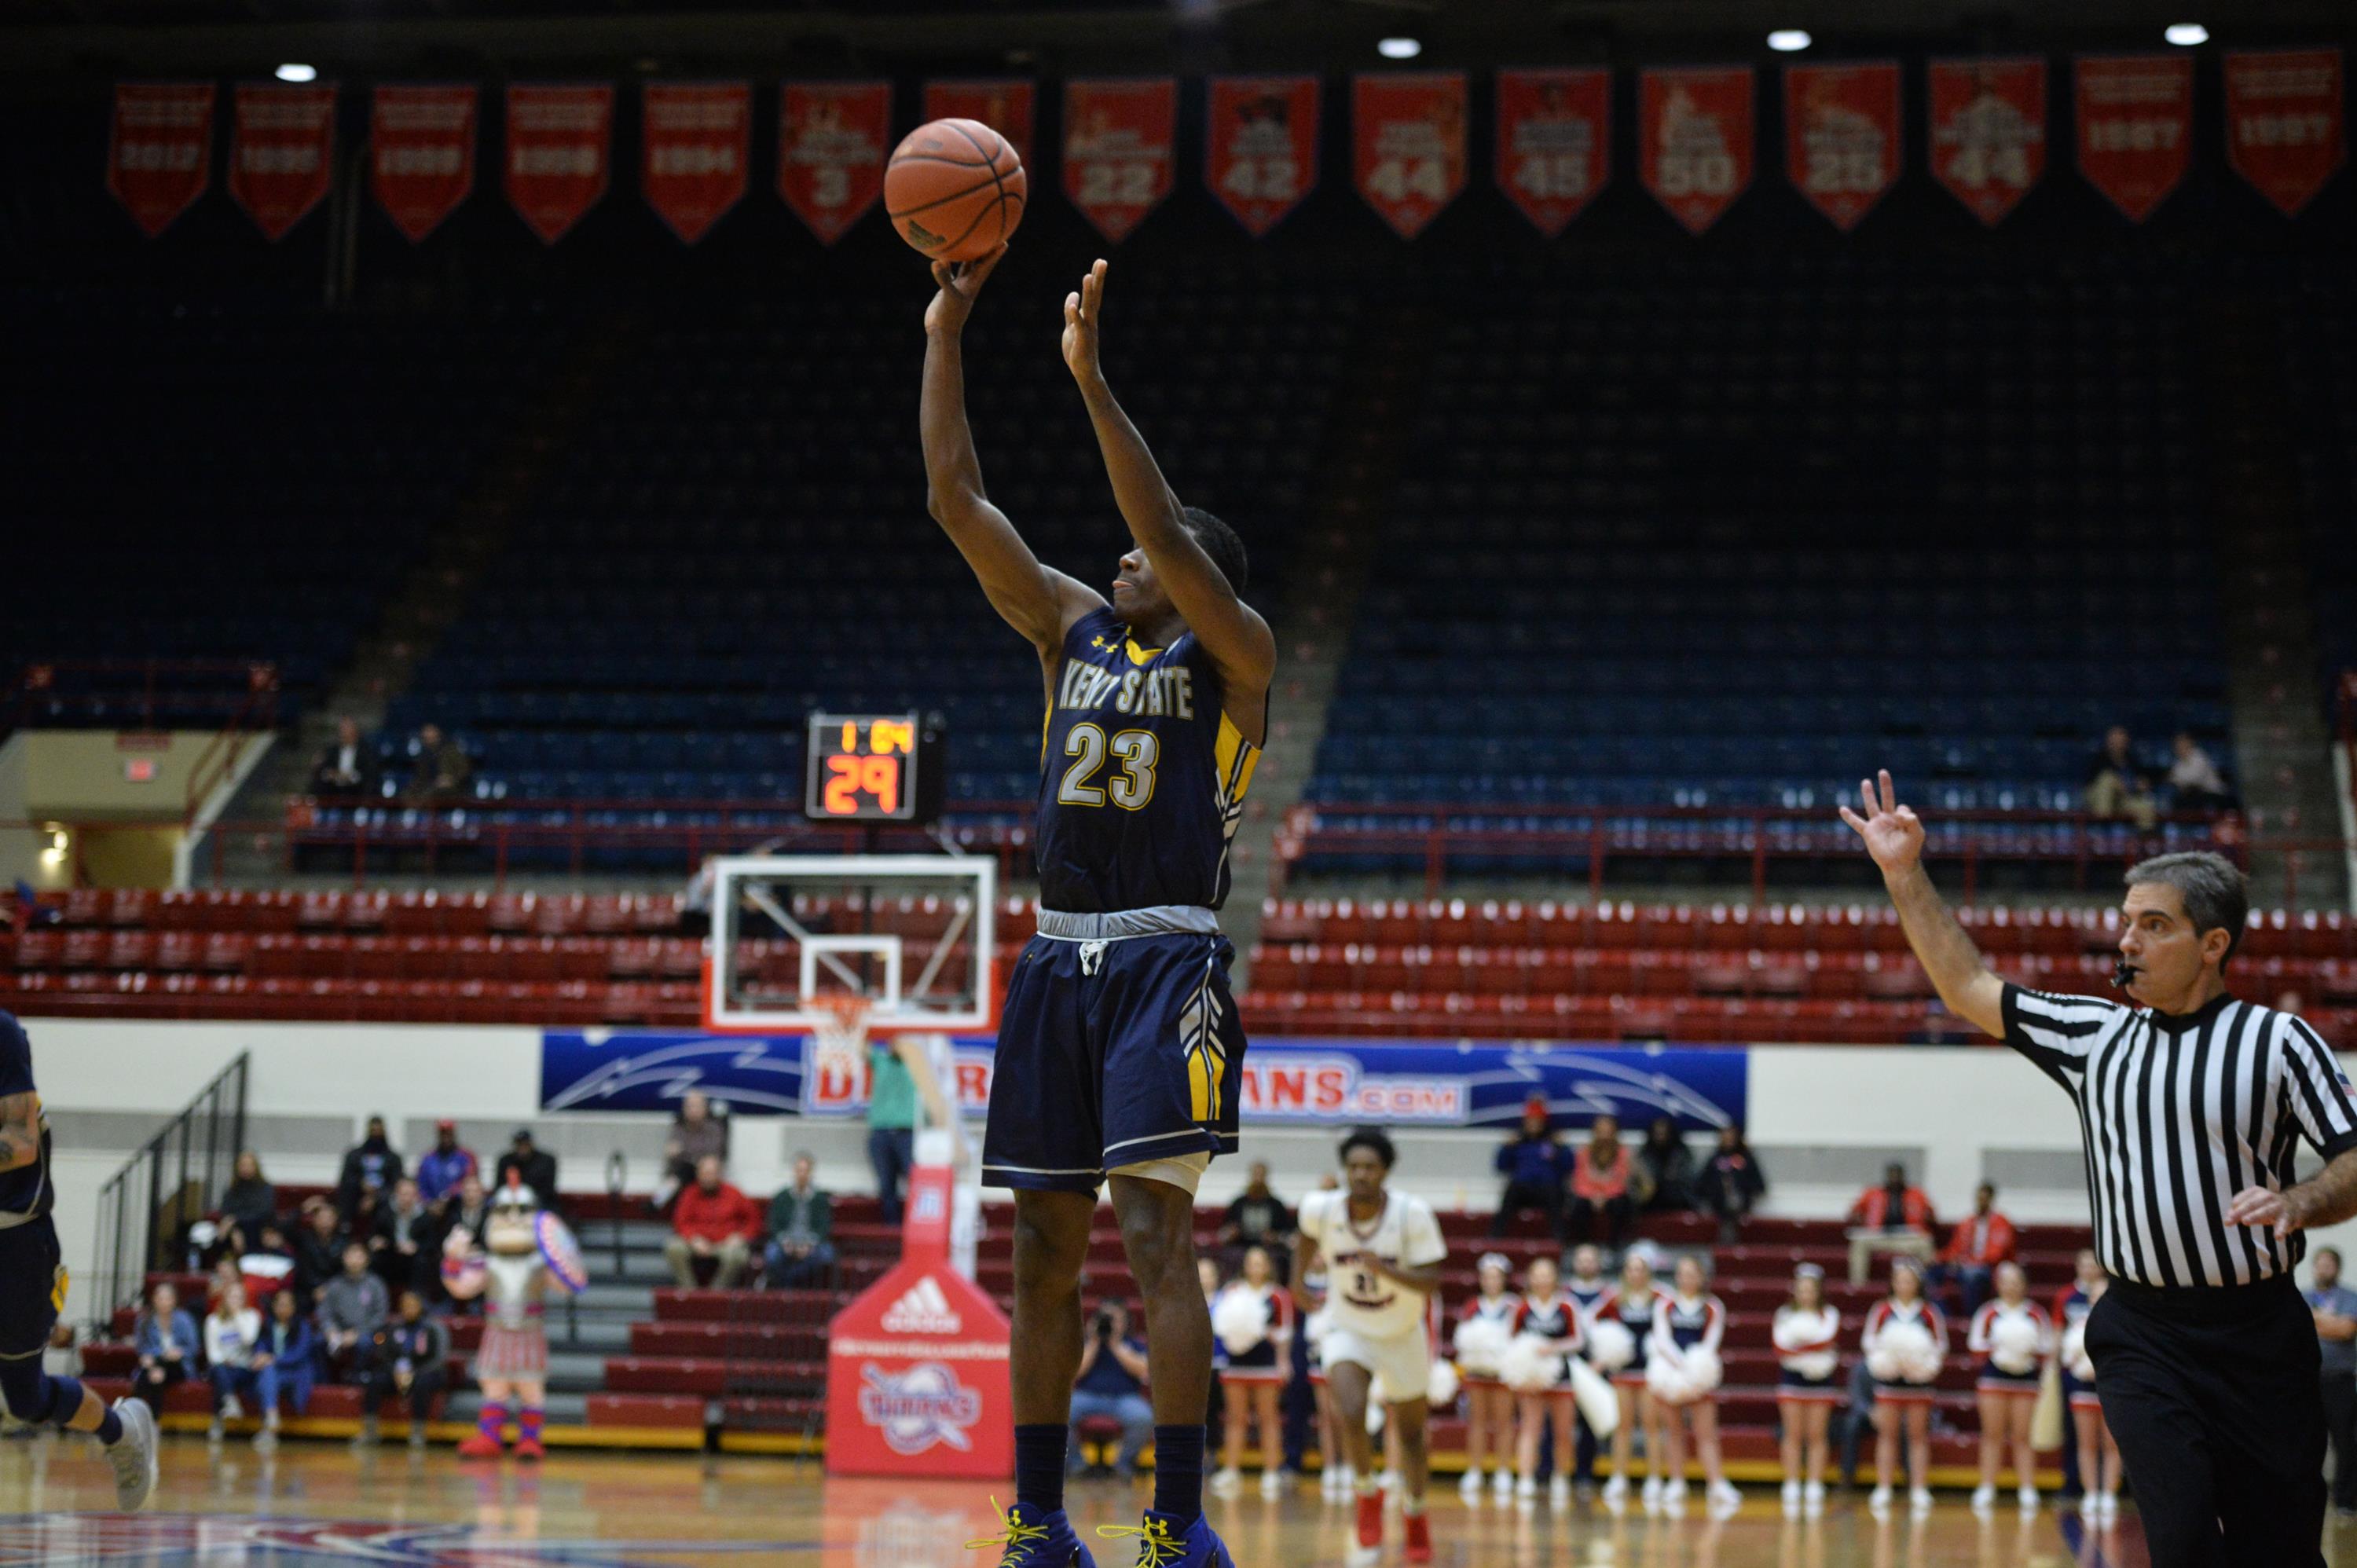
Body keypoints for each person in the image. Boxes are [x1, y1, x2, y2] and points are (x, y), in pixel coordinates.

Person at [929, 247, 1272, 1568]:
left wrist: (1088, 377)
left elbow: (1176, 536)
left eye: (1144, 549)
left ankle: (1175, 1524)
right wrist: (946, 328)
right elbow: (954, 497)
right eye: (1122, 548)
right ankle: (1035, 1521)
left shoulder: (1234, 653)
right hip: (1051, 963)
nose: (1121, 553)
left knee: (1155, 1241)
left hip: (1162, 962)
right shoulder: (1068, 633)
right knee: (1040, 1258)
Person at [1846, 774, 2357, 1563]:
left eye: (2153, 926)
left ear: (2212, 942)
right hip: (2142, 1331)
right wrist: (1904, 873)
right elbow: (1967, 985)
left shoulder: (2280, 1042)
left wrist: (2303, 1200)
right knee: (2181, 1539)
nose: (2126, 942)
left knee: (2281, 1548)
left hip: (2261, 1331)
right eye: (2126, 924)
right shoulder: (2095, 1035)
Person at [1294, 1129, 1444, 1566]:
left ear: (1385, 1172)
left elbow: (1432, 1280)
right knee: (1350, 1409)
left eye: (1370, 1167)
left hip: (1402, 1332)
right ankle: (1367, 1493)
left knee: (1412, 1435)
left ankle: (1415, 1514)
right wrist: (1296, 1280)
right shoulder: (1321, 1210)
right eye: (1354, 1166)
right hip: (1348, 1327)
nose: (1361, 1174)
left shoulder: (1411, 1214)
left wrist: (1387, 1269)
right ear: (1346, 1170)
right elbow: (1304, 1237)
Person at [1650, 1255, 1739, 1517]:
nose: (1687, 1278)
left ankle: (1717, 1484)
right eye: (1683, 1273)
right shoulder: (1665, 1305)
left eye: (1692, 1273)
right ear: (1677, 1277)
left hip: (1700, 1375)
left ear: (1701, 1278)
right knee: (1674, 1431)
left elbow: (1712, 1341)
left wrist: (1695, 1370)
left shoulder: (1713, 1306)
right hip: (1670, 1373)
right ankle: (1677, 1482)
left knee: (1706, 1434)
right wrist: (1680, 1366)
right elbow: (1662, 1340)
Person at [1861, 1255, 1947, 1516]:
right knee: (1887, 1435)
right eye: (1900, 1280)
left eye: (1909, 1281)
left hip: (1918, 1384)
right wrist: (1888, 1363)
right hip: (1889, 1382)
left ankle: (1919, 1488)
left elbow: (1940, 1346)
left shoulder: (1929, 1312)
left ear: (1917, 1284)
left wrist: (1921, 1367)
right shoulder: (1882, 1310)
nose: (1904, 1285)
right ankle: (1884, 1487)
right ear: (1893, 1283)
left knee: (1918, 1436)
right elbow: (1870, 1343)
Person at [1968, 1261, 2052, 1513]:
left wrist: (2026, 1351)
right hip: (1994, 1380)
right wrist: (2000, 1349)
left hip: (2025, 1381)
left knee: (2023, 1436)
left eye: (2017, 1281)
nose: (2012, 1286)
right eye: (2006, 1281)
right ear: (1998, 1284)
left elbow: (2046, 1348)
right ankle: (1987, 1486)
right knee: (1992, 1435)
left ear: (2024, 1285)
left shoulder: (2036, 1314)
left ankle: (2027, 1488)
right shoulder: (1988, 1313)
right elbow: (1976, 1347)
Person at [1209, 1244, 1292, 1500]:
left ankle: (1271, 1472)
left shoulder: (1278, 1295)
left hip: (1265, 1364)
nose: (1255, 1268)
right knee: (1236, 1418)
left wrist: (1283, 1361)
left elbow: (1285, 1331)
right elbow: (1221, 1322)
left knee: (1268, 1418)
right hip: (1236, 1363)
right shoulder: (1233, 1291)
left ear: (1268, 1267)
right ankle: (1232, 1470)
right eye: (1251, 1262)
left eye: (1260, 1263)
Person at [1508, 1255, 1583, 1510]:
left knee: (1563, 1431)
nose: (1542, 1280)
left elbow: (1578, 1340)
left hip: (1561, 1378)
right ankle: (1526, 1479)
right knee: (1530, 1428)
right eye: (1537, 1275)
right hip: (1532, 1379)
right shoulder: (1521, 1308)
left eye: (1547, 1274)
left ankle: (1561, 1477)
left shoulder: (1567, 1306)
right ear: (1530, 1279)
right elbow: (1512, 1341)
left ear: (1555, 1278)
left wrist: (1551, 1348)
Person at [1597, 1251, 1670, 1511]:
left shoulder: (1661, 1297)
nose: (1635, 1274)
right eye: (1630, 1269)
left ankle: (1654, 1478)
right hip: (1623, 1372)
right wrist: (1605, 1352)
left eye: (1640, 1269)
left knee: (1651, 1425)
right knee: (1623, 1426)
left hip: (1649, 1373)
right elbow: (1592, 1320)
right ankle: (1618, 1477)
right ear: (1625, 1272)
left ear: (1648, 1273)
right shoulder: (1615, 1297)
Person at [2053, 1248, 2121, 1518]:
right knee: (2086, 1442)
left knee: (2113, 1443)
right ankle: (2091, 1493)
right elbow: (2067, 1351)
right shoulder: (2076, 1316)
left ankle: (2110, 1494)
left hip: (2113, 1387)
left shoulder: (2119, 1322)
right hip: (2082, 1385)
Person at [1772, 1263, 1841, 1519]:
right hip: (1791, 1380)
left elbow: (1826, 1340)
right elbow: (1780, 1347)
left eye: (1810, 1290)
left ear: (1819, 1291)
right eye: (1801, 1290)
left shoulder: (1829, 1314)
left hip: (1821, 1383)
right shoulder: (1784, 1314)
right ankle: (1791, 1483)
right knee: (1792, 1433)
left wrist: (1798, 1346)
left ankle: (1814, 1484)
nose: (1806, 1294)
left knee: (1816, 1434)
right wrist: (1809, 1350)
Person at [1455, 1253, 1521, 1506]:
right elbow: (1463, 1339)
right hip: (1477, 1374)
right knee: (1477, 1422)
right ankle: (1474, 1470)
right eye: (1487, 1277)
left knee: (1504, 1423)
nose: (1491, 1282)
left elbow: (1517, 1338)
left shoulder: (1513, 1305)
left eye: (1496, 1277)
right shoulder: (1472, 1305)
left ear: (1504, 1279)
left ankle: (1503, 1471)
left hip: (1503, 1374)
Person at [1069, 1299, 1153, 1480]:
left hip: (1125, 1398)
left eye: (1116, 1319)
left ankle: (1122, 1465)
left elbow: (1143, 1370)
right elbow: (1075, 1373)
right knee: (1060, 1415)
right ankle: (1077, 1465)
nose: (1110, 1323)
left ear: (1125, 1323)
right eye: (1106, 1318)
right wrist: (1094, 1343)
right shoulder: (1085, 1344)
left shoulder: (1134, 1344)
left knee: (1143, 1418)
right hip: (1087, 1396)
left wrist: (1115, 1345)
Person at [366, 1290, 449, 1448]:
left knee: (421, 1384)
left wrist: (413, 1373)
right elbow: (384, 1354)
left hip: (425, 1371)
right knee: (375, 1380)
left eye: (413, 1305)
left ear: (420, 1306)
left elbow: (439, 1359)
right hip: (398, 1373)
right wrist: (395, 1372)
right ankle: (370, 1431)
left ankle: (418, 1432)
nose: (409, 1309)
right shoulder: (394, 1327)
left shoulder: (433, 1327)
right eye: (405, 1306)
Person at [2311, 1247, 2357, 1521]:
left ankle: (2344, 1499)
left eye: (2329, 1264)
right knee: (2306, 1442)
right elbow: (2297, 1331)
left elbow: (2346, 1330)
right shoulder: (2301, 1296)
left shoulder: (2350, 1297)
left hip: (2340, 1382)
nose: (2324, 1268)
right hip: (2307, 1383)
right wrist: (2329, 1322)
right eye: (2320, 1263)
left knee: (2345, 1443)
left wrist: (2316, 1320)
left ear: (2337, 1268)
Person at [665, 1154, 757, 1289]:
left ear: (719, 1174)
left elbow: (753, 1220)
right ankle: (690, 1292)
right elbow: (680, 1221)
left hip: (725, 1244)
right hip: (697, 1242)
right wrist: (693, 1239)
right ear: (698, 1175)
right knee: (673, 1247)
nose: (708, 1178)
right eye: (705, 1174)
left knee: (739, 1255)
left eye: (712, 1174)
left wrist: (741, 1237)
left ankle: (716, 1294)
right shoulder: (689, 1194)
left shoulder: (734, 1193)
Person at [1491, 1099, 1571, 1237]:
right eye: (1531, 1120)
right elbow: (1501, 1166)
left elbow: (1568, 1167)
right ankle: (1496, 1237)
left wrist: (1563, 1149)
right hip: (1523, 1191)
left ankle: (1559, 1239)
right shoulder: (1517, 1142)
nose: (1534, 1124)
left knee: (1554, 1192)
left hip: (1547, 1191)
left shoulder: (1553, 1141)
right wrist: (1506, 1148)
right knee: (1512, 1189)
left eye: (1537, 1120)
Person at [251, 1283, 316, 1452]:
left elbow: (299, 1354)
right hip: (274, 1373)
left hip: (297, 1373)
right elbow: (260, 1345)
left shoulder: (302, 1326)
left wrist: (271, 1359)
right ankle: (271, 1419)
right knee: (267, 1372)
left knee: (268, 1371)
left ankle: (269, 1426)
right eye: (279, 1304)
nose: (283, 1308)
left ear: (294, 1307)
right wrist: (260, 1356)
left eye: (287, 1304)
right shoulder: (268, 1324)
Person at [1936, 1182, 2017, 1317]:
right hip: (1964, 1267)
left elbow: (1996, 1254)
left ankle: (1972, 1319)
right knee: (1930, 1275)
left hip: (1989, 1269)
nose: (1981, 1202)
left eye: (1984, 1199)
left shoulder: (2001, 1223)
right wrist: (1941, 1258)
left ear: (1991, 1200)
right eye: (1979, 1199)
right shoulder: (1967, 1222)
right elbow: (1954, 1248)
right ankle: (1945, 1316)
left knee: (1972, 1275)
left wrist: (1971, 1261)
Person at [864, 1038, 919, 1227]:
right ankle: (892, 1227)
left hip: (907, 1134)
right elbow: (862, 1048)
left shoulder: (917, 1067)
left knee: (915, 1182)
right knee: (886, 1185)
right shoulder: (880, 1061)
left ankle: (915, 1225)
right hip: (881, 1133)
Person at [317, 1240, 390, 1383]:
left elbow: (380, 1316)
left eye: (359, 1256)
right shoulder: (334, 1285)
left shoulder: (376, 1285)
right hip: (338, 1332)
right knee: (317, 1342)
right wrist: (331, 1330)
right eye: (351, 1255)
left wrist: (357, 1333)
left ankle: (358, 1377)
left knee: (366, 1343)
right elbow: (325, 1312)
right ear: (344, 1258)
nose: (355, 1260)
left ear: (367, 1259)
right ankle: (323, 1381)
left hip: (367, 1332)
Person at [763, 1151, 835, 1288]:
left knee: (826, 1255)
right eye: (799, 1170)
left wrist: (809, 1244)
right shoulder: (781, 1197)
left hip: (811, 1243)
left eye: (806, 1170)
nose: (802, 1174)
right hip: (786, 1241)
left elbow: (824, 1227)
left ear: (811, 1173)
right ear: (794, 1171)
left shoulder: (820, 1199)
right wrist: (785, 1241)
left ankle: (791, 1285)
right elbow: (774, 1225)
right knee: (772, 1255)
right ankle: (787, 1287)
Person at [203, 1280, 262, 1443]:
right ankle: (230, 1402)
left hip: (244, 1368)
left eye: (239, 1297)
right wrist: (224, 1361)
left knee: (223, 1376)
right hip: (222, 1366)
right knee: (219, 1371)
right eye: (232, 1297)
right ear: (224, 1298)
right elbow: (212, 1352)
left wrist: (237, 1316)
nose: (235, 1300)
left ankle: (218, 1420)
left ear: (244, 1300)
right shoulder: (213, 1321)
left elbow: (249, 1339)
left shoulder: (252, 1317)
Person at [652, 1090, 726, 1215]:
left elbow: (711, 1155)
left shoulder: (714, 1128)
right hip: (681, 1174)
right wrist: (678, 1154)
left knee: (684, 1171)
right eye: (689, 1106)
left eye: (697, 1106)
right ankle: (665, 1208)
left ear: (705, 1108)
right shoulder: (678, 1127)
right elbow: (672, 1155)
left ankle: (656, 1202)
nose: (693, 1110)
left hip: (704, 1171)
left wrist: (683, 1153)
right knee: (681, 1172)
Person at [1566, 1116, 1635, 1247]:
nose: (1604, 1136)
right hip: (1588, 1196)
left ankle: (1615, 1247)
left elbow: (1621, 1181)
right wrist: (1593, 1196)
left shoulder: (1623, 1153)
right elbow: (1579, 1180)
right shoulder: (1584, 1152)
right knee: (1578, 1205)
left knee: (1622, 1203)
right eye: (1601, 1131)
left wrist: (1604, 1196)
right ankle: (1583, 1246)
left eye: (1608, 1132)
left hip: (1612, 1196)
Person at [131, 1279, 199, 1412]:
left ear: (174, 1300)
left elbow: (193, 1348)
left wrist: (180, 1352)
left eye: (168, 1298)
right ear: (154, 1300)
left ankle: (139, 1417)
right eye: (160, 1298)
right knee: (154, 1374)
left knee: (156, 1371)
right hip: (153, 1364)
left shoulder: (185, 1319)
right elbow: (141, 1348)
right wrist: (147, 1358)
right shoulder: (144, 1321)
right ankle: (146, 1419)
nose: (164, 1302)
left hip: (179, 1365)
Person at [1695, 1126, 1766, 1244]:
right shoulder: (1715, 1159)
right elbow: (1700, 1184)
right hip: (1717, 1209)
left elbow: (1759, 1185)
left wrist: (1743, 1188)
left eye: (1731, 1137)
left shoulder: (1746, 1158)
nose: (1728, 1140)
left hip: (1741, 1209)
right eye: (1725, 1137)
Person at [1216, 1161, 1293, 1265]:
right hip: (1242, 1246)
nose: (1258, 1180)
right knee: (1229, 1255)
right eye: (1256, 1175)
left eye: (1261, 1175)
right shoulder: (1238, 1204)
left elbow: (1287, 1235)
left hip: (1269, 1248)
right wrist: (1231, 1234)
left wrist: (1275, 1238)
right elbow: (1224, 1232)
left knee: (1280, 1257)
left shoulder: (1277, 1205)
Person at [2085, 725, 2158, 829]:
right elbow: (2091, 785)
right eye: (2114, 741)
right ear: (2108, 742)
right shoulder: (2099, 758)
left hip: (2122, 800)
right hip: (2098, 801)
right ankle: (2102, 823)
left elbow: (2142, 781)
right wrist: (2120, 784)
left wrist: (2142, 784)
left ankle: (2147, 838)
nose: (2118, 744)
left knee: (2145, 806)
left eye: (2121, 741)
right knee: (2108, 778)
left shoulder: (2131, 760)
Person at [377, 1176, 436, 1299]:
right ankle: (380, 1300)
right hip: (391, 1252)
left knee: (423, 1261)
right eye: (403, 1194)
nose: (407, 1199)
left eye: (411, 1195)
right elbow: (374, 1234)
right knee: (376, 1258)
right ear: (396, 1194)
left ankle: (415, 1300)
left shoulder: (425, 1216)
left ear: (417, 1196)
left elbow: (431, 1243)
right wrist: (378, 1242)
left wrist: (416, 1246)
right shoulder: (385, 1212)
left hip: (414, 1257)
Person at [335, 1116, 404, 1215]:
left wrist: (376, 1197)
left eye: (379, 1131)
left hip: (383, 1200)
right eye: (373, 1130)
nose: (376, 1134)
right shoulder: (354, 1155)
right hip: (357, 1196)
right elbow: (345, 1179)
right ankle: (345, 1227)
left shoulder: (393, 1159)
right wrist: (361, 1184)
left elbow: (396, 1183)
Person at [1848, 1162, 1935, 1233]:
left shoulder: (1917, 1194)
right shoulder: (1872, 1193)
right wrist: (1859, 1218)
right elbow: (1855, 1212)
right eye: (1892, 1175)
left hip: (1909, 1234)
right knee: (1860, 1244)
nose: (1895, 1178)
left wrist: (1926, 1218)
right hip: (1877, 1234)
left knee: (1924, 1243)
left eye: (1898, 1175)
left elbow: (1931, 1215)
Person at [1634, 1118, 1697, 1214]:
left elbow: (1689, 1182)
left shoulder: (1682, 1153)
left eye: (1663, 1133)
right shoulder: (1645, 1154)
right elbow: (1643, 1181)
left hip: (1679, 1200)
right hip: (1651, 1200)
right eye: (1657, 1134)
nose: (1660, 1137)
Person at [220, 1150, 277, 1248]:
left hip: (258, 1230)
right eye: (243, 1165)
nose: (245, 1169)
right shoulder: (232, 1189)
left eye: (249, 1165)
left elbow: (265, 1212)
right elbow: (226, 1212)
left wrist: (236, 1219)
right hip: (235, 1229)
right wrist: (234, 1230)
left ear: (256, 1167)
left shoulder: (265, 1188)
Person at [292, 1198, 346, 1302]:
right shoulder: (304, 1239)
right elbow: (284, 1228)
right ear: (313, 1220)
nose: (325, 1223)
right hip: (306, 1290)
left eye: (329, 1218)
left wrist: (328, 1288)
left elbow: (343, 1272)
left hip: (335, 1290)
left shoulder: (344, 1242)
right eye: (321, 1218)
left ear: (336, 1221)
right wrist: (301, 1210)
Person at [404, 723, 471, 804]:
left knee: (430, 794)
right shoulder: (424, 755)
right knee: (406, 794)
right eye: (425, 733)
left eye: (430, 732)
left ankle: (423, 813)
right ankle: (411, 815)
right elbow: (420, 777)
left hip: (450, 788)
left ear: (438, 733)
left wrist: (451, 779)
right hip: (429, 785)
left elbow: (464, 770)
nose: (427, 735)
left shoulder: (451, 750)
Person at [413, 1121, 477, 1207]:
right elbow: (421, 1185)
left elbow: (469, 1181)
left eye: (449, 1133)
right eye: (443, 1133)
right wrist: (431, 1203)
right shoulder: (428, 1159)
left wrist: (449, 1196)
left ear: (454, 1134)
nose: (446, 1137)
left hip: (457, 1206)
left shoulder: (466, 1157)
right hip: (432, 1207)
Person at [2168, 731, 2233, 815]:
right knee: (2178, 801)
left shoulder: (2200, 757)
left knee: (2190, 799)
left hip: (2214, 794)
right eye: (2177, 745)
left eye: (2182, 743)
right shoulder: (2178, 763)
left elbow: (2195, 780)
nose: (2179, 747)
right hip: (2195, 796)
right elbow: (2172, 780)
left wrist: (2181, 782)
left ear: (2190, 743)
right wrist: (2180, 782)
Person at [495, 1128, 559, 1211]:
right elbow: (500, 1187)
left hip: (541, 1203)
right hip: (509, 1202)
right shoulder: (506, 1161)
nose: (522, 1147)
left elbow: (547, 1191)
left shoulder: (546, 1161)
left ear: (531, 1144)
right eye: (519, 1144)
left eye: (525, 1144)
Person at [310, 716, 373, 798]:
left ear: (356, 732)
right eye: (342, 730)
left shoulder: (366, 753)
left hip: (357, 795)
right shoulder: (331, 751)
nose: (344, 734)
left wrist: (350, 776)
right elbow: (323, 771)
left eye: (347, 730)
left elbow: (368, 776)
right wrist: (331, 774)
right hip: (333, 795)